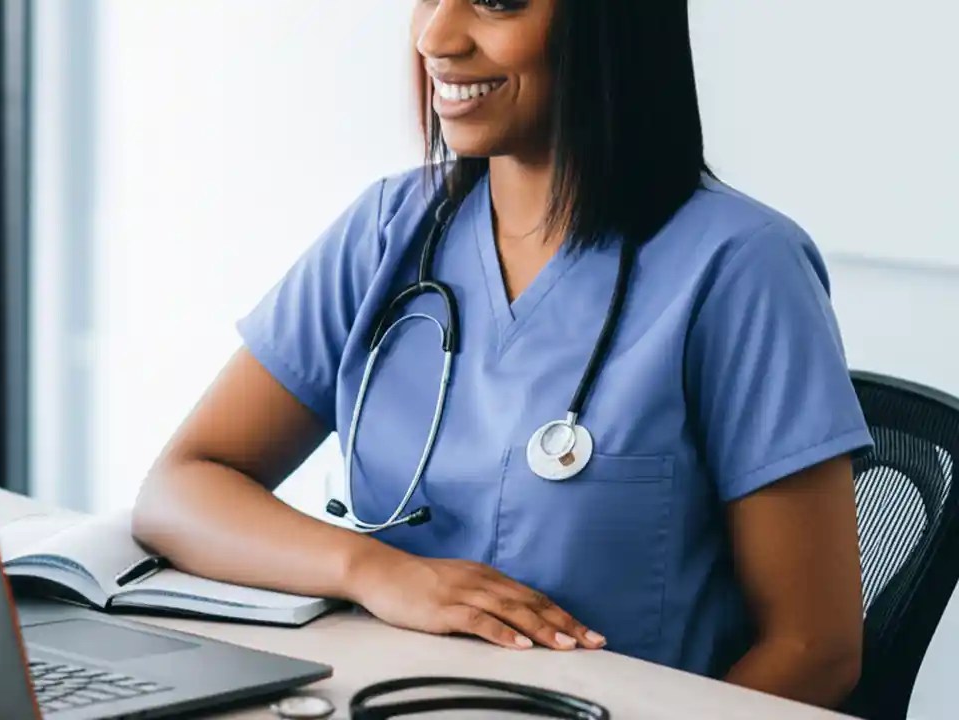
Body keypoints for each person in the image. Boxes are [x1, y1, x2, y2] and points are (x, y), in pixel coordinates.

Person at [132, 0, 870, 709]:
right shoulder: (388, 232)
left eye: (496, 1)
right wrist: (377, 572)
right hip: (386, 695)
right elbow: (182, 488)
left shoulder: (741, 267)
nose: (437, 36)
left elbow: (815, 649)